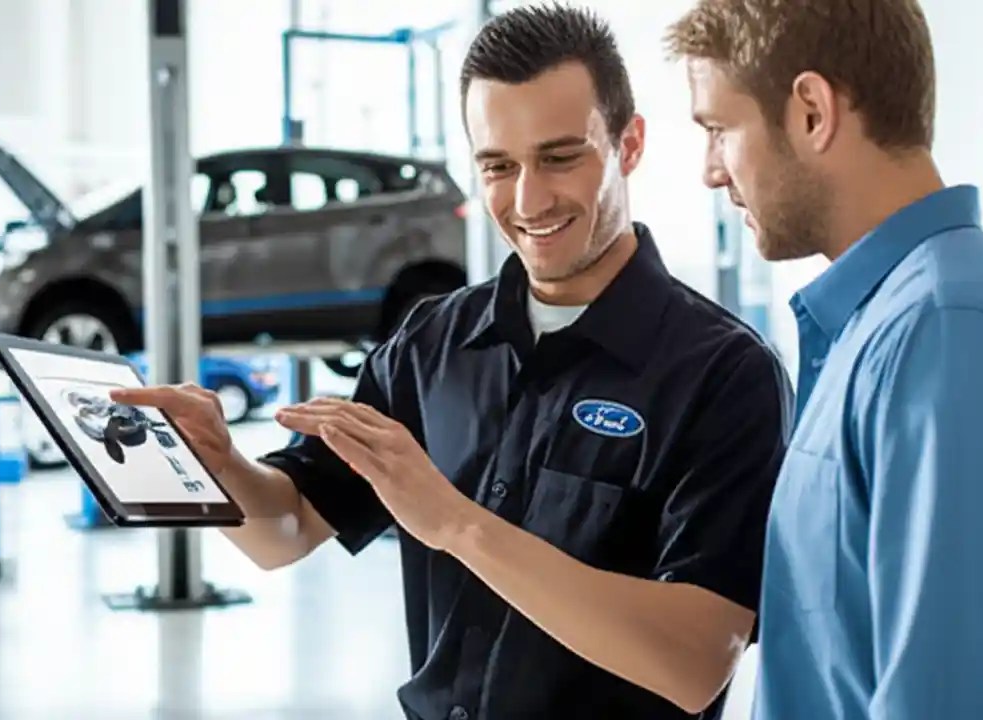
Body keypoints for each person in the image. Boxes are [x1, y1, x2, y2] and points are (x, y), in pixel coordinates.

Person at [114, 4, 792, 718]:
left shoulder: (724, 375)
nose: (528, 200)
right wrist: (220, 468)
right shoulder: (430, 345)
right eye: (498, 166)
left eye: (560, 158)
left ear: (629, 145)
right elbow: (282, 533)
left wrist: (457, 524)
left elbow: (694, 663)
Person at [665, 1, 983, 718]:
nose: (710, 171)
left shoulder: (956, 337)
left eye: (719, 130)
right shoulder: (888, 325)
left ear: (813, 111)